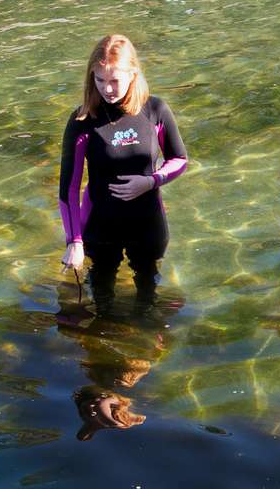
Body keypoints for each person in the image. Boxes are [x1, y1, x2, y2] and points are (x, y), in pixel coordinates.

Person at [57, 34, 190, 300]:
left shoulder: (155, 110)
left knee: (148, 293)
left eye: (114, 80)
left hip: (148, 222)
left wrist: (152, 181)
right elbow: (68, 188)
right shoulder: (83, 119)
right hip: (100, 225)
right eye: (99, 80)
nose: (107, 89)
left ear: (133, 74)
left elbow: (180, 159)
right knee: (101, 297)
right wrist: (74, 241)